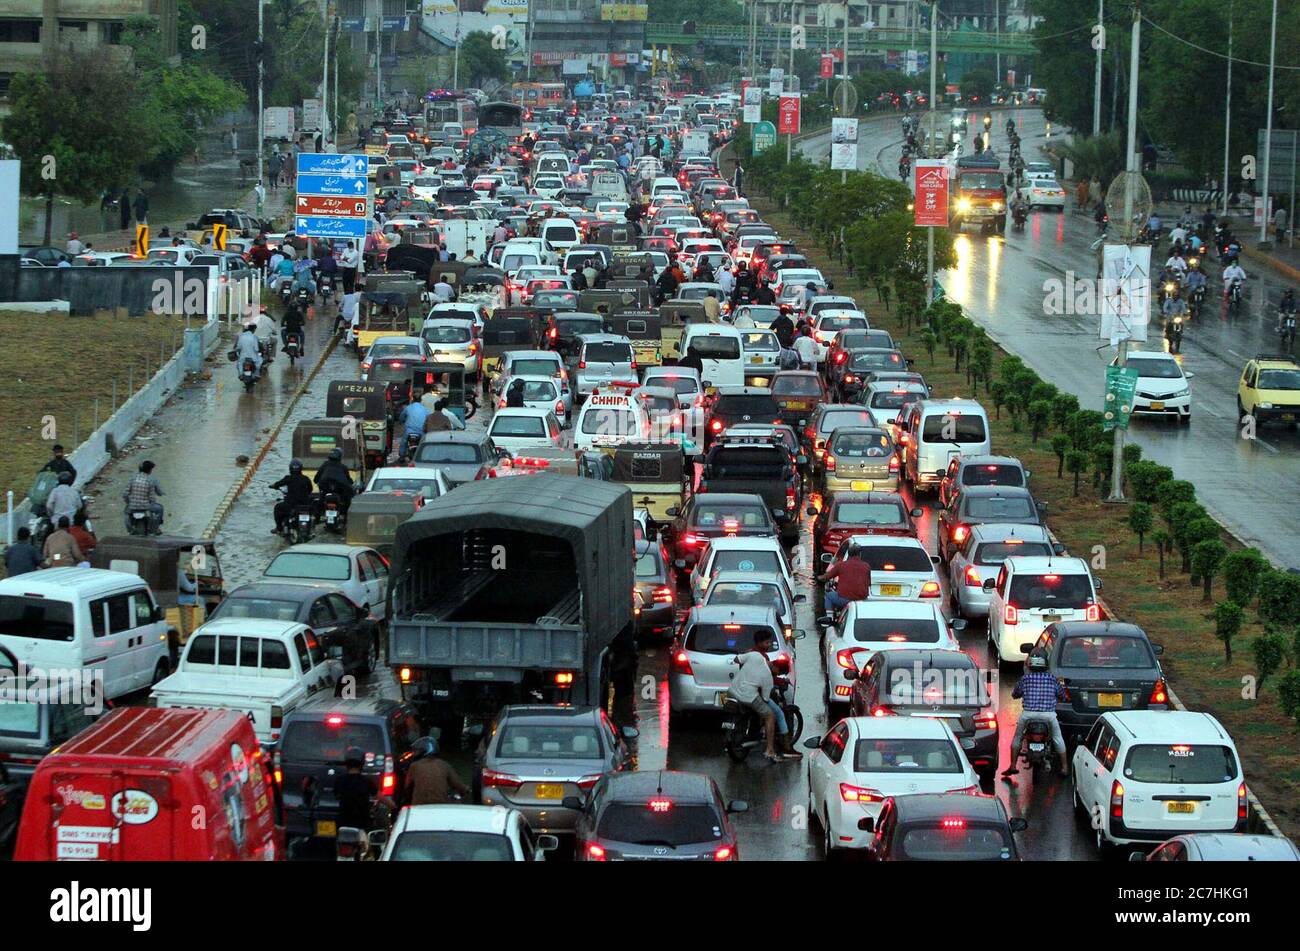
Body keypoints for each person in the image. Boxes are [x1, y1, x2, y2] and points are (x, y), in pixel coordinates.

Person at [728, 630, 798, 761]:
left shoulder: (751, 654)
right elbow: (765, 697)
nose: (769, 644)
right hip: (750, 695)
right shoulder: (766, 670)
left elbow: (736, 659)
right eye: (767, 642)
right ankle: (771, 750)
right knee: (771, 715)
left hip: (734, 690)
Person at [1002, 653, 1069, 778]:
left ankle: (1012, 765)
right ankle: (1065, 767)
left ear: (1030, 666)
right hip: (1049, 716)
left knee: (1017, 738)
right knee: (1058, 739)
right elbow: (1063, 696)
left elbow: (1015, 694)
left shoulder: (1025, 679)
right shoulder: (1052, 679)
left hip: (1028, 715)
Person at [404, 736, 470, 806]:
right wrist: (466, 789)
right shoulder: (444, 765)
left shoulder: (414, 766)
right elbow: (458, 784)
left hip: (419, 804)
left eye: (416, 751)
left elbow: (407, 786)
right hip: (440, 805)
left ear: (422, 751)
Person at [333, 748, 377, 833]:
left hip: (343, 821)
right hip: (362, 823)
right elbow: (379, 796)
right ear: (362, 764)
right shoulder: (366, 781)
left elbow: (336, 795)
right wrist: (394, 806)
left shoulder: (339, 780)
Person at [817, 545, 872, 614]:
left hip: (845, 599)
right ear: (859, 554)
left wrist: (818, 578)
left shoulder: (841, 565)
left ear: (849, 554)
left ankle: (829, 619)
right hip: (862, 599)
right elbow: (869, 583)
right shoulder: (866, 566)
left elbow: (826, 577)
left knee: (829, 596)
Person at [270, 459, 314, 534]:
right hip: (304, 505)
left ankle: (279, 528)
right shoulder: (306, 478)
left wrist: (274, 486)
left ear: (290, 468)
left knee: (277, 507)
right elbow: (310, 489)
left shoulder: (288, 478)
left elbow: (278, 484)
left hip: (291, 505)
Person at [123, 461, 164, 532]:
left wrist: (128, 503)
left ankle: (130, 529)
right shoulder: (151, 480)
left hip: (132, 506)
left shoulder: (132, 478)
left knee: (125, 512)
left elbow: (125, 494)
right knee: (160, 509)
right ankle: (155, 528)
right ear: (150, 470)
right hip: (146, 507)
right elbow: (152, 498)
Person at [314, 448, 355, 514]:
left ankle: (318, 517)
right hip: (337, 491)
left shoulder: (325, 465)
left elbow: (316, 478)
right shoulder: (343, 467)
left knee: (320, 501)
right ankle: (343, 514)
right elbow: (348, 480)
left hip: (328, 491)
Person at [177, 559, 199, 641]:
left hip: (172, 596)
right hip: (179, 599)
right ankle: (198, 623)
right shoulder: (179, 573)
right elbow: (189, 588)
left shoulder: (168, 570)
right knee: (199, 599)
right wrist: (196, 584)